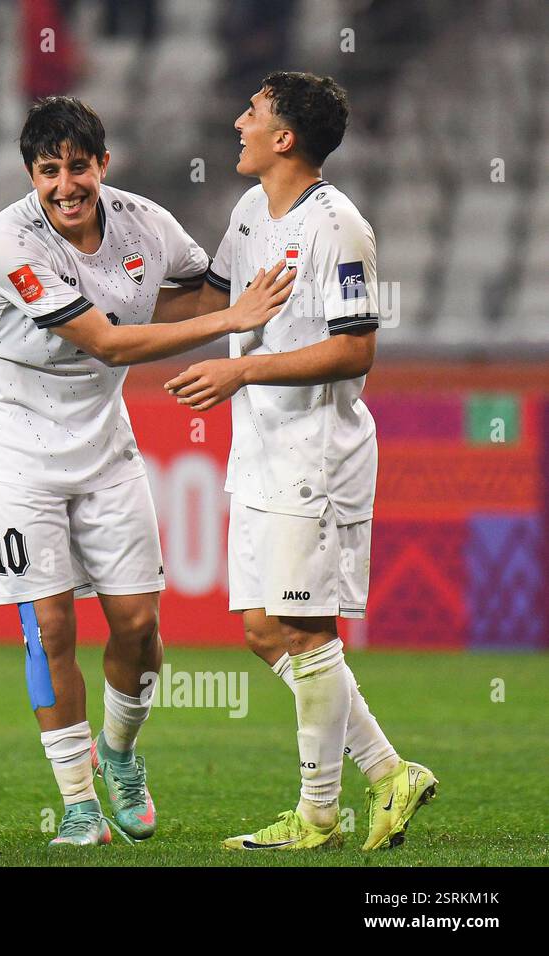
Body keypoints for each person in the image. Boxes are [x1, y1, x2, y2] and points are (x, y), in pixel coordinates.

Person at [0, 95, 294, 848]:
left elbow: (204, 288)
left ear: (102, 165)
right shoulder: (9, 242)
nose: (65, 185)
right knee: (50, 626)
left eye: (78, 166)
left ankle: (119, 753)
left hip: (102, 437)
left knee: (140, 627)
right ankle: (80, 806)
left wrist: (239, 288)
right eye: (49, 171)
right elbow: (109, 344)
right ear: (31, 175)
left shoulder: (145, 223)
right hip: (14, 445)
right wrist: (229, 323)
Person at [162, 72, 437, 851]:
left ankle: (317, 815)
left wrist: (240, 368)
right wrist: (106, 276)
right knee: (262, 628)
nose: (238, 120)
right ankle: (389, 773)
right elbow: (212, 302)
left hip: (314, 456)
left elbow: (356, 349)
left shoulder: (339, 227)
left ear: (284, 138)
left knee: (304, 628)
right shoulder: (251, 211)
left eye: (252, 111)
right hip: (259, 449)